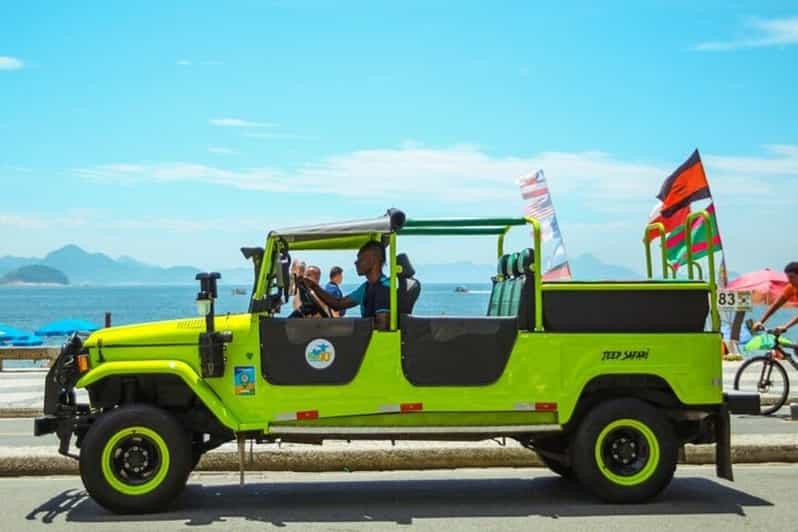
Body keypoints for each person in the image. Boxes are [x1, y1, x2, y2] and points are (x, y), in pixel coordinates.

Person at [297, 241, 391, 330]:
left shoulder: (384, 288)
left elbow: (382, 325)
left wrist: (348, 326)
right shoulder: (366, 287)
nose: (355, 262)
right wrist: (313, 286)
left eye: (360, 258)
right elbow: (338, 304)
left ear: (373, 260)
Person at [753, 262, 798, 335]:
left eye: (792, 277)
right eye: (788, 277)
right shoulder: (791, 287)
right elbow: (776, 305)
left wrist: (786, 327)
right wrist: (761, 321)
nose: (789, 280)